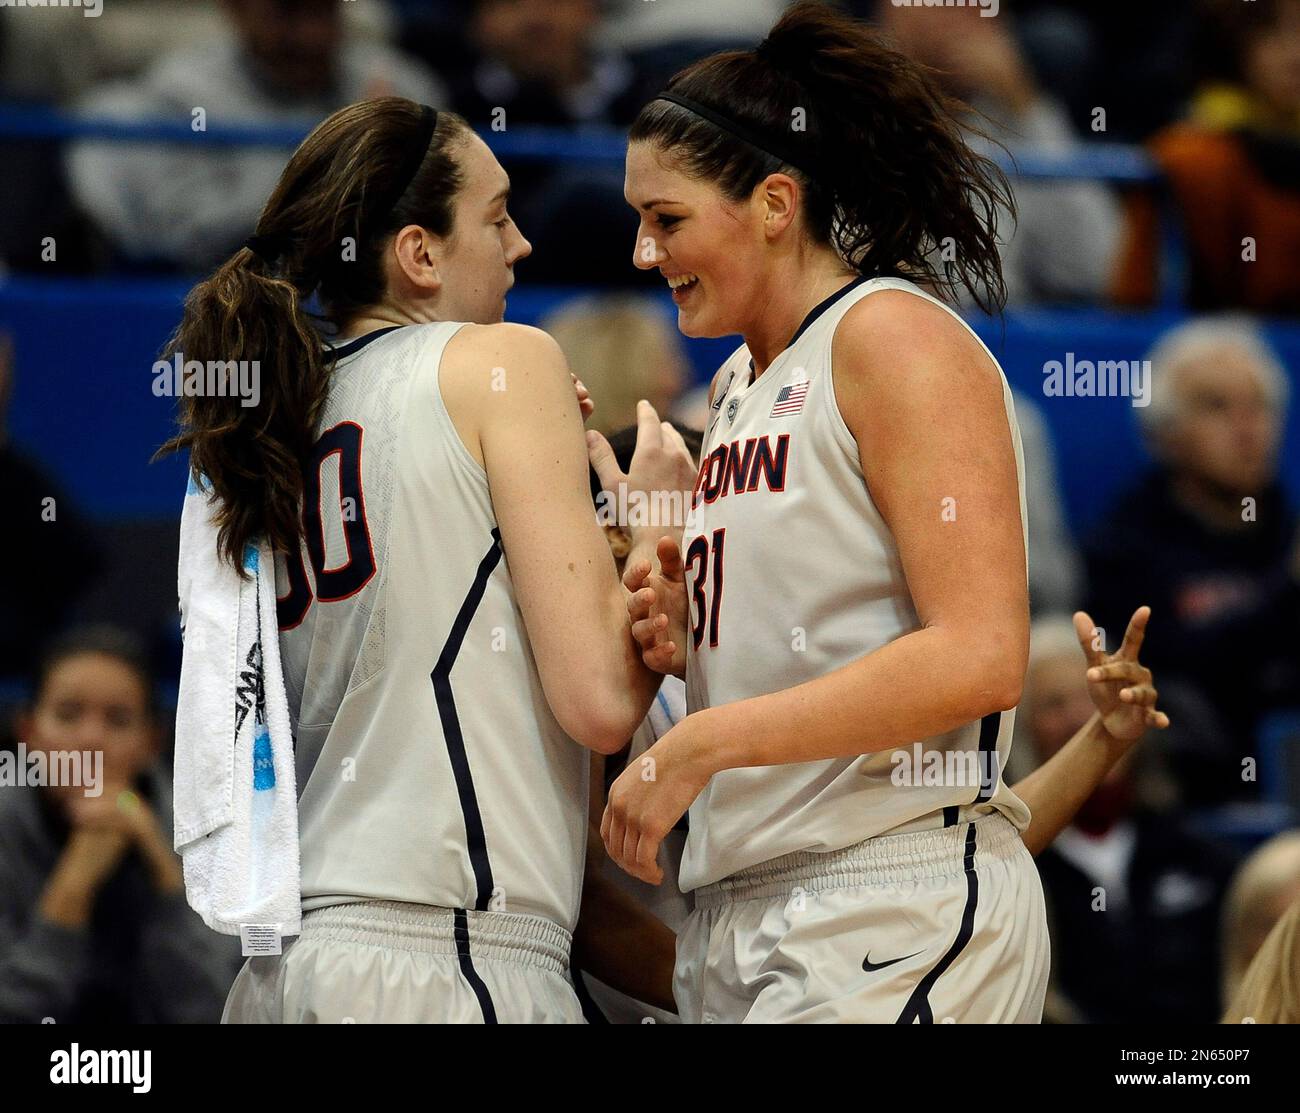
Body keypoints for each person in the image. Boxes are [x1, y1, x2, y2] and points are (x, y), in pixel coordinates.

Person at [160, 96, 693, 1023]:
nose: (521, 244)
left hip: (285, 967)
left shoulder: (270, 422)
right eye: (495, 217)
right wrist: (655, 525)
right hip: (443, 960)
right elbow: (602, 702)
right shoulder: (501, 363)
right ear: (420, 254)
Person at [592, 0, 1061, 1023]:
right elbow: (819, 640)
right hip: (741, 907)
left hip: (889, 899)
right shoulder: (734, 390)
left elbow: (979, 652)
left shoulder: (889, 336)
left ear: (772, 200)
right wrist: (685, 624)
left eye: (665, 219)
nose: (641, 253)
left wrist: (700, 745)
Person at [1082, 317, 1300, 803]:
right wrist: (1290, 590)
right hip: (1195, 786)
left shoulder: (1287, 529)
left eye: (1259, 406)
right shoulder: (1125, 544)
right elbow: (1171, 666)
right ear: (1166, 433)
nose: (1246, 428)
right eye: (1217, 407)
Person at [0, 626, 240, 1023]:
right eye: (67, 715)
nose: (91, 738)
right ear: (28, 733)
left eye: (118, 719)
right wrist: (76, 880)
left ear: (151, 741)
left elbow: (213, 1010)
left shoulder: (202, 827)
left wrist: (159, 861)